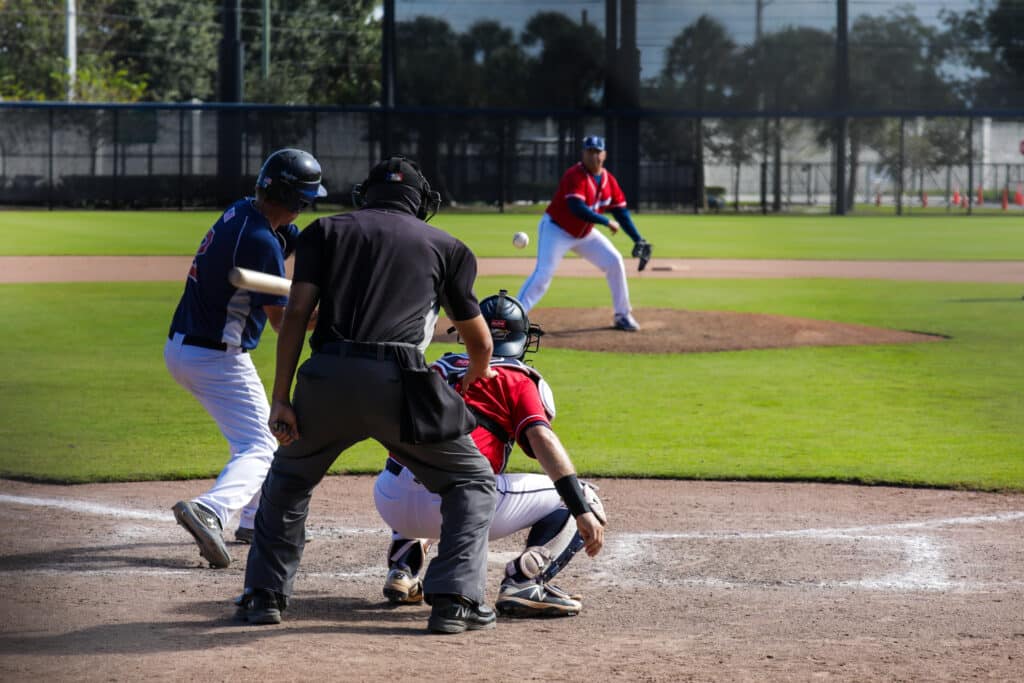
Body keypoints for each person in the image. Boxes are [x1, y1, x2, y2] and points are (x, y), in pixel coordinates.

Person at [235, 156, 501, 635]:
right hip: (402, 385)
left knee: (290, 479)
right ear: (419, 202)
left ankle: (263, 596)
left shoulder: (324, 231)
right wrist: (473, 376)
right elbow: (480, 342)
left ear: (367, 194)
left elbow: (294, 316)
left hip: (326, 378)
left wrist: (281, 397)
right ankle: (455, 601)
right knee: (471, 481)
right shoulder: (449, 247)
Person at [374, 290, 607, 618]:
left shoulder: (438, 368)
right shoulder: (517, 378)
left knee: (425, 466)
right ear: (523, 339)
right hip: (457, 503)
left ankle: (403, 564)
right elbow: (540, 438)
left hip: (390, 498)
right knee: (581, 496)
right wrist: (579, 507)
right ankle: (525, 581)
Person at [166, 148, 326, 569]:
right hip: (214, 355)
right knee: (263, 441)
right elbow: (283, 322)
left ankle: (257, 519)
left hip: (191, 346)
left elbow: (290, 239)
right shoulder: (258, 243)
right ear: (294, 201)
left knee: (256, 437)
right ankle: (211, 511)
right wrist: (329, 314)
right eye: (304, 200)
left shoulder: (244, 212)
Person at [517, 134, 652, 332]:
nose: (593, 156)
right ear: (583, 153)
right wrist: (605, 221)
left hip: (584, 234)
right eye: (589, 151)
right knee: (544, 273)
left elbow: (621, 213)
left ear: (604, 155)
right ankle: (511, 318)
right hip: (556, 229)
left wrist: (638, 238)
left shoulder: (609, 181)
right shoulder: (575, 175)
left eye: (597, 152)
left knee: (614, 261)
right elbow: (576, 208)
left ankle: (622, 315)